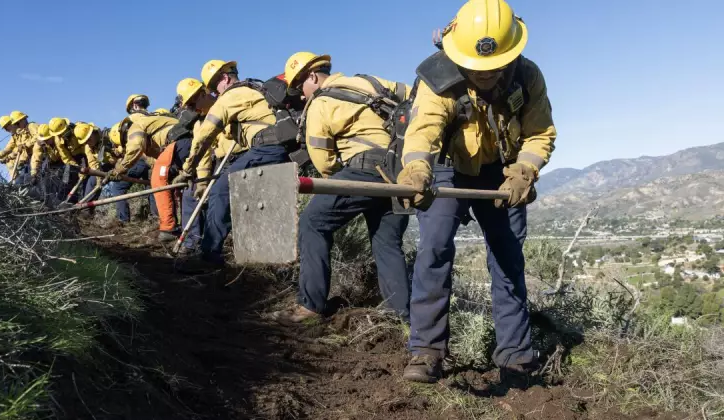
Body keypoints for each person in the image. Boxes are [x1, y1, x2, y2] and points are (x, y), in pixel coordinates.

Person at [396, 0, 557, 383]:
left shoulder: (527, 76)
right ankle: (426, 352)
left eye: (493, 66)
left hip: (503, 173)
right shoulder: (438, 77)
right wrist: (417, 169)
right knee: (434, 251)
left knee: (507, 258)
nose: (485, 74)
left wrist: (525, 170)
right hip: (448, 169)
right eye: (477, 67)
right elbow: (423, 131)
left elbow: (540, 132)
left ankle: (516, 356)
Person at [271, 52, 412, 323]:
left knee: (313, 222)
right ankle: (402, 316)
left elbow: (323, 161)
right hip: (398, 171)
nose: (301, 94)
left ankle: (309, 306)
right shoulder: (368, 81)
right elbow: (411, 97)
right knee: (387, 242)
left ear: (312, 76)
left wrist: (341, 181)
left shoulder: (320, 102)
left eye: (301, 86)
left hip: (363, 170)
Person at [180, 59, 293, 265]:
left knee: (221, 190)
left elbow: (204, 137)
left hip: (266, 148)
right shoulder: (255, 89)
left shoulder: (230, 96)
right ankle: (275, 261)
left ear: (224, 78)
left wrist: (188, 169)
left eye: (215, 88)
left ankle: (209, 256)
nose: (215, 93)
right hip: (284, 149)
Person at [150, 78, 218, 252]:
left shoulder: (216, 108)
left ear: (202, 94)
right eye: (189, 104)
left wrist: (200, 178)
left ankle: (191, 243)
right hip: (205, 156)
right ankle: (195, 242)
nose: (192, 107)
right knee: (191, 194)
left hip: (221, 155)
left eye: (193, 101)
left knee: (191, 195)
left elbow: (204, 146)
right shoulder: (199, 117)